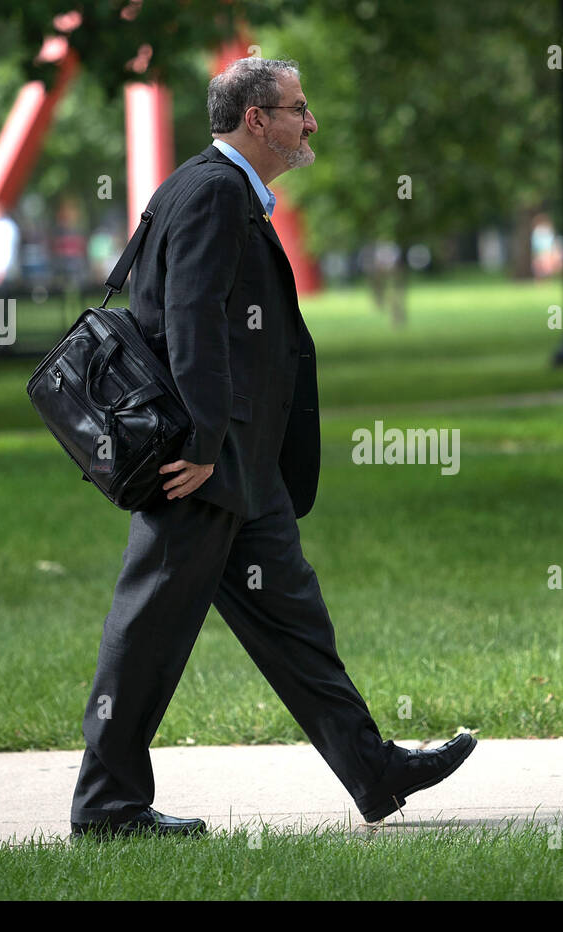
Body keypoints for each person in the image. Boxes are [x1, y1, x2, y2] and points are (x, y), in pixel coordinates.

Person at [69, 57, 476, 840]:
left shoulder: (210, 187)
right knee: (146, 634)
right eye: (297, 109)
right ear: (256, 119)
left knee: (295, 623)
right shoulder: (215, 192)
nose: (310, 122)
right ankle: (107, 808)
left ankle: (374, 771)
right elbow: (190, 319)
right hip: (202, 466)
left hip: (242, 468)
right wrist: (204, 441)